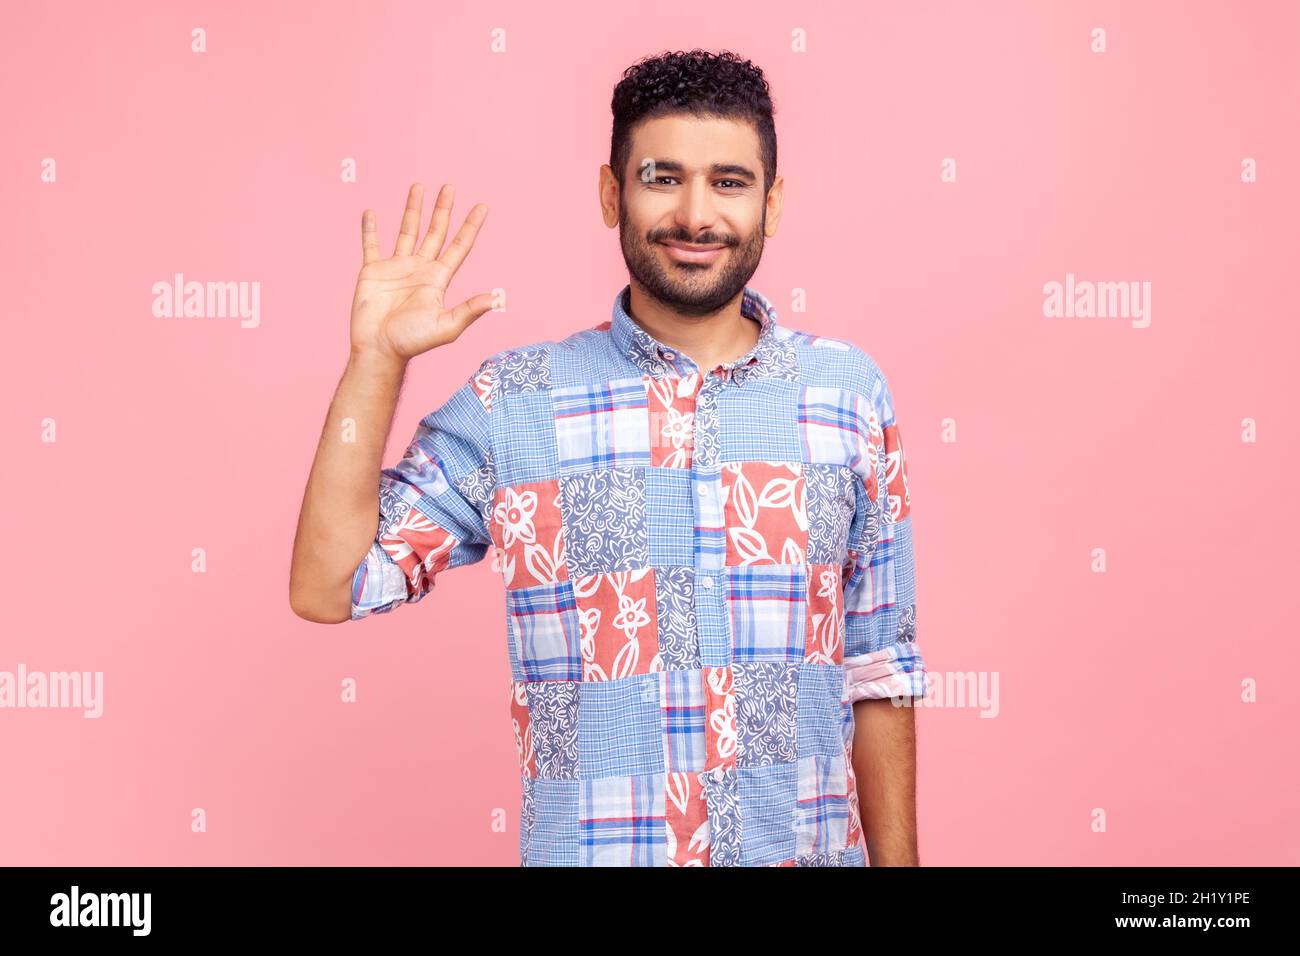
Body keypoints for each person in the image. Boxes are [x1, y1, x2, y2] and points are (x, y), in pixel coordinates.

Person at [289, 49, 927, 867]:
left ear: (770, 204)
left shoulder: (848, 394)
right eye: (662, 177)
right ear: (610, 193)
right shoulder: (513, 404)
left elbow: (881, 671)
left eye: (729, 183)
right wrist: (376, 360)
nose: (695, 214)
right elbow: (326, 583)